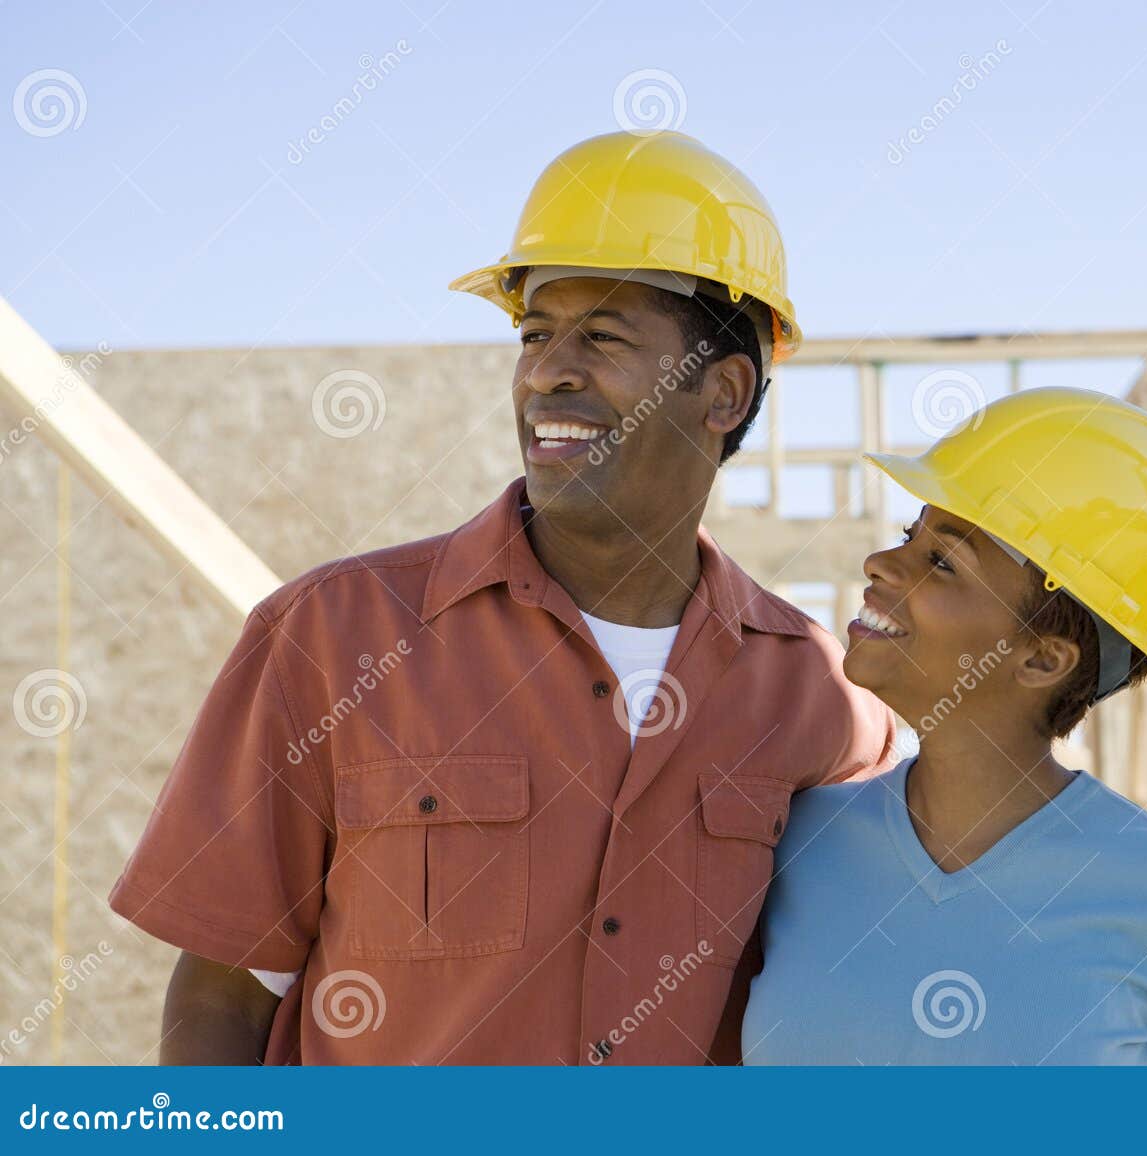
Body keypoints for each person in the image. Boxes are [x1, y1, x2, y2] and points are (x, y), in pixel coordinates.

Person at [108, 130, 896, 1065]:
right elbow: (223, 998)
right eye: (533, 335)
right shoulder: (329, 637)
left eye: (602, 336)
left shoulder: (825, 701)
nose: (546, 371)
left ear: (723, 393)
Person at [743, 388, 1147, 1065]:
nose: (881, 563)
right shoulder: (792, 842)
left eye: (943, 562)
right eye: (910, 536)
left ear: (1042, 658)